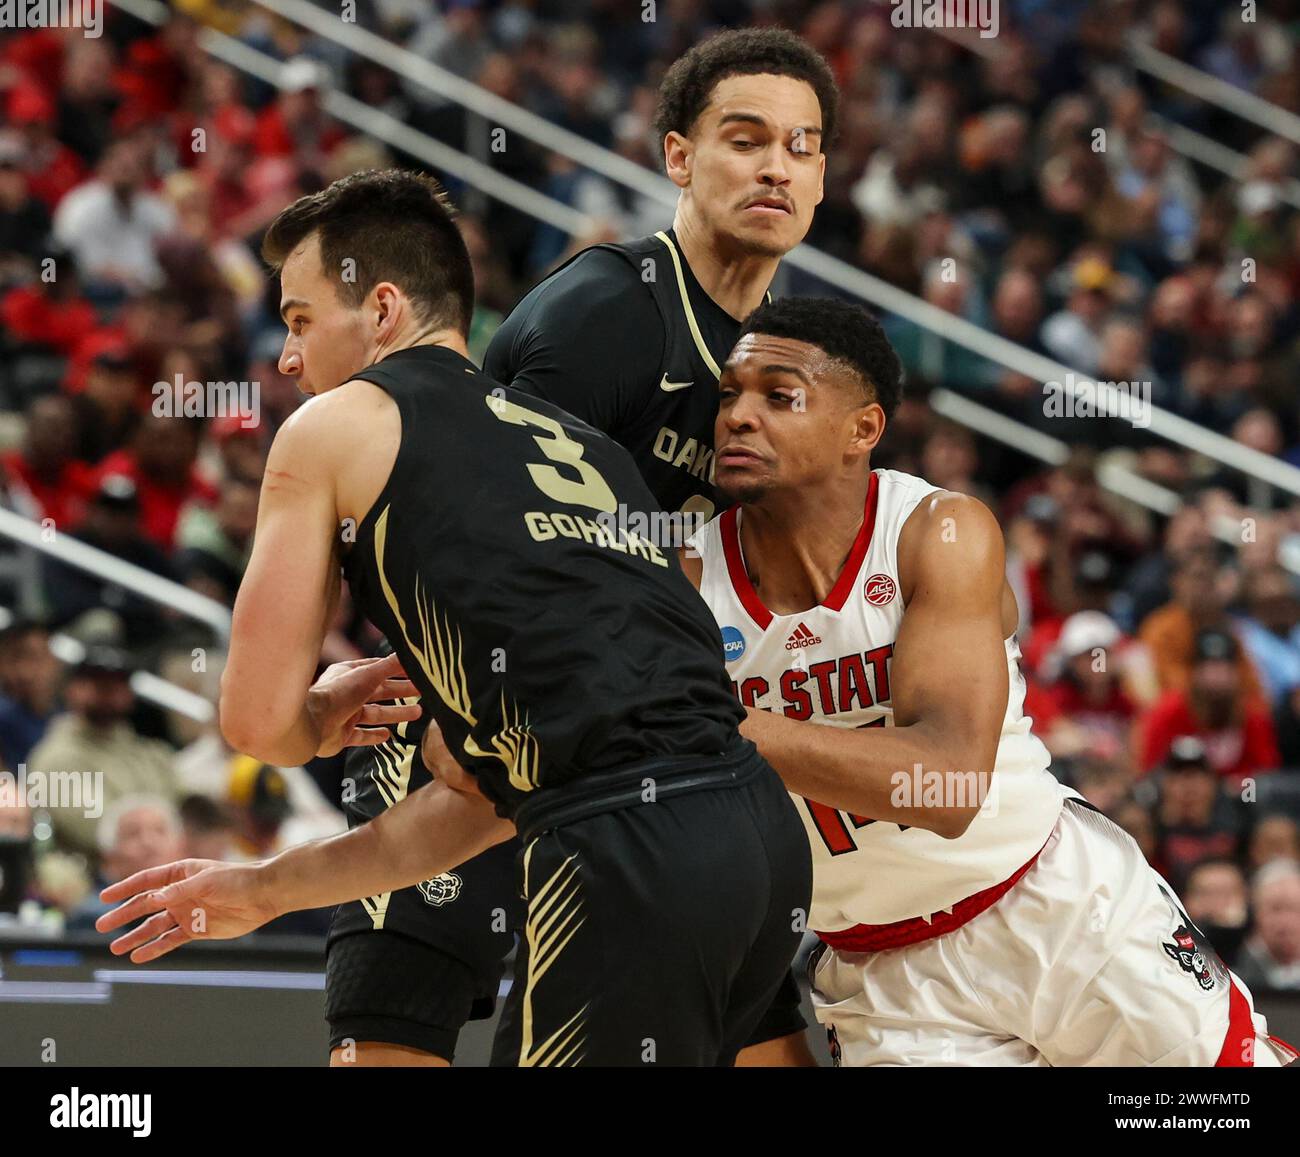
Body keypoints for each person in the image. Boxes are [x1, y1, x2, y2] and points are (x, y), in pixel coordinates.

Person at [97, 168, 811, 1068]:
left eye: (300, 319)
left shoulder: (332, 426)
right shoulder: (587, 449)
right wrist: (265, 888)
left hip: (626, 847)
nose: (286, 356)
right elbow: (479, 805)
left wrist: (318, 717)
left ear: (383, 309)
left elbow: (251, 720)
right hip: (755, 839)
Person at [683, 295, 1295, 1066]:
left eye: (779, 396)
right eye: (730, 394)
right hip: (888, 981)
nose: (739, 416)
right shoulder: (687, 582)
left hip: (1054, 902)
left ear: (862, 429)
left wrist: (725, 724)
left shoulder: (938, 532)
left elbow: (947, 784)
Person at [485, 25, 837, 1066]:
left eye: (804, 146)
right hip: (535, 749)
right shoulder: (600, 317)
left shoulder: (798, 356)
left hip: (683, 760)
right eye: (746, 138)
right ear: (678, 157)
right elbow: (490, 544)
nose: (778, 165)